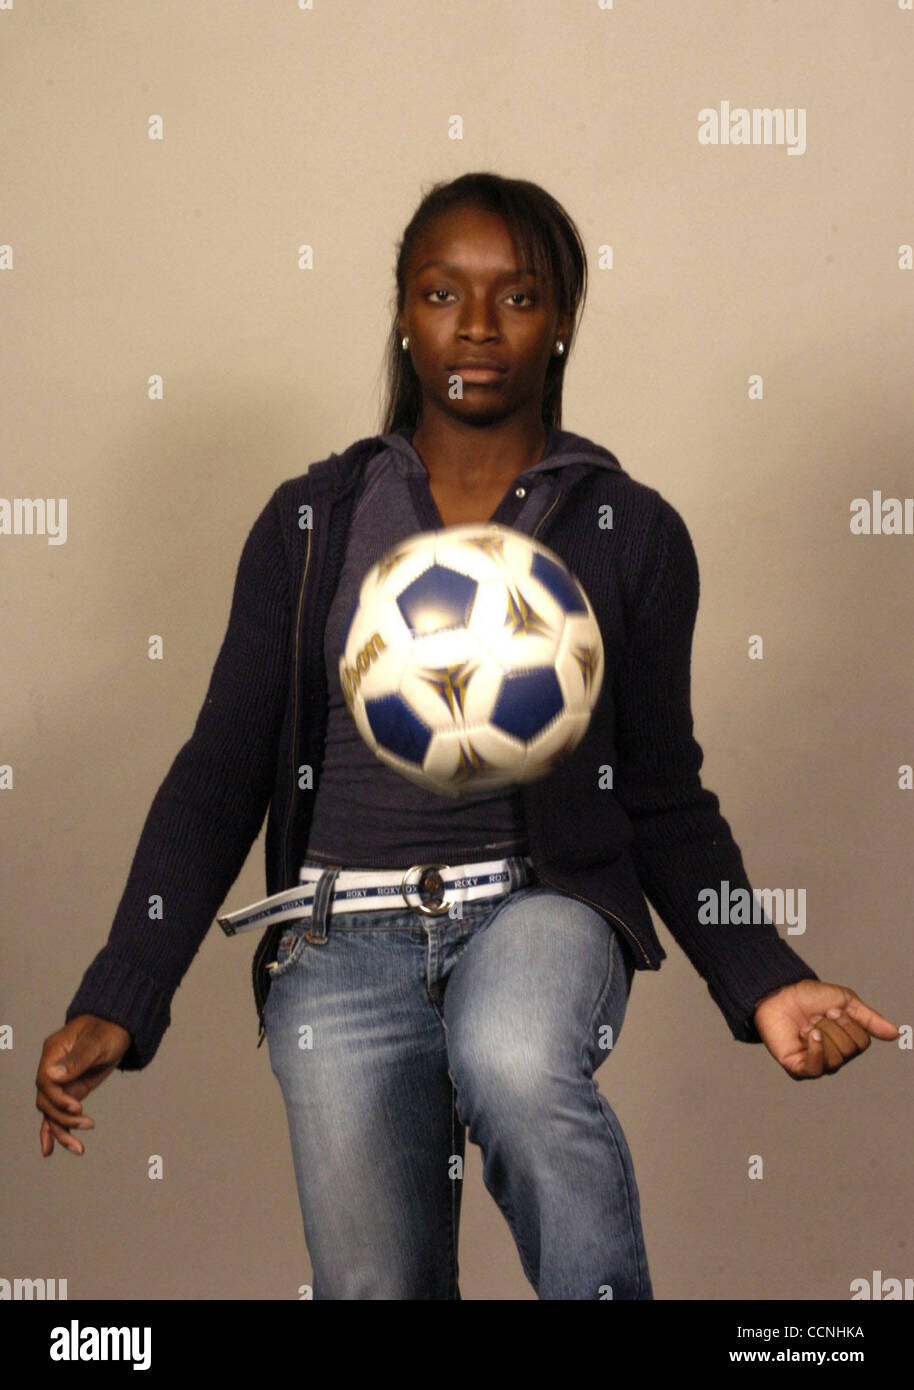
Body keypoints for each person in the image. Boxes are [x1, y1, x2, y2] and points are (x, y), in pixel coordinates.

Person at [36, 171, 898, 1300]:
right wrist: (122, 991)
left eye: (518, 296)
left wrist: (762, 976)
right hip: (337, 936)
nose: (478, 328)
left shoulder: (626, 530)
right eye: (443, 292)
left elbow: (661, 794)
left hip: (539, 905)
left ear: (565, 319)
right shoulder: (315, 522)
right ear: (401, 310)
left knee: (514, 1054)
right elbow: (219, 773)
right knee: (375, 1285)